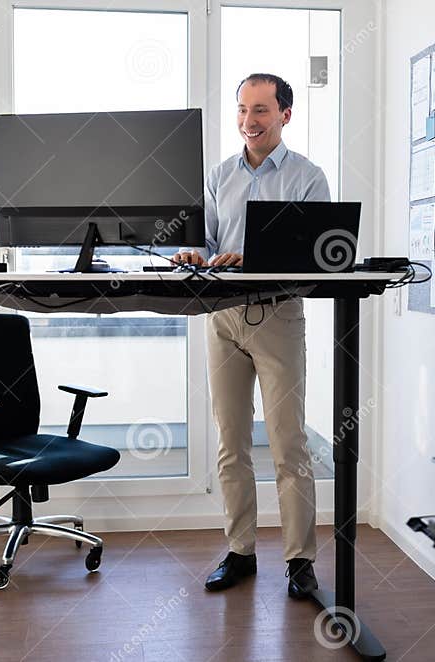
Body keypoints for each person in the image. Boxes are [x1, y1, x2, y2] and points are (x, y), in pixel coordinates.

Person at [174, 73, 330, 599]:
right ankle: (240, 551)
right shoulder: (220, 176)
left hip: (279, 317)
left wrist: (259, 260)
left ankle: (299, 561)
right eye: (242, 109)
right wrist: (195, 252)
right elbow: (209, 240)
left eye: (261, 110)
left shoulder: (308, 178)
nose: (249, 121)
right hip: (223, 318)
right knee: (230, 443)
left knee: (289, 445)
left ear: (286, 115)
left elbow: (319, 256)